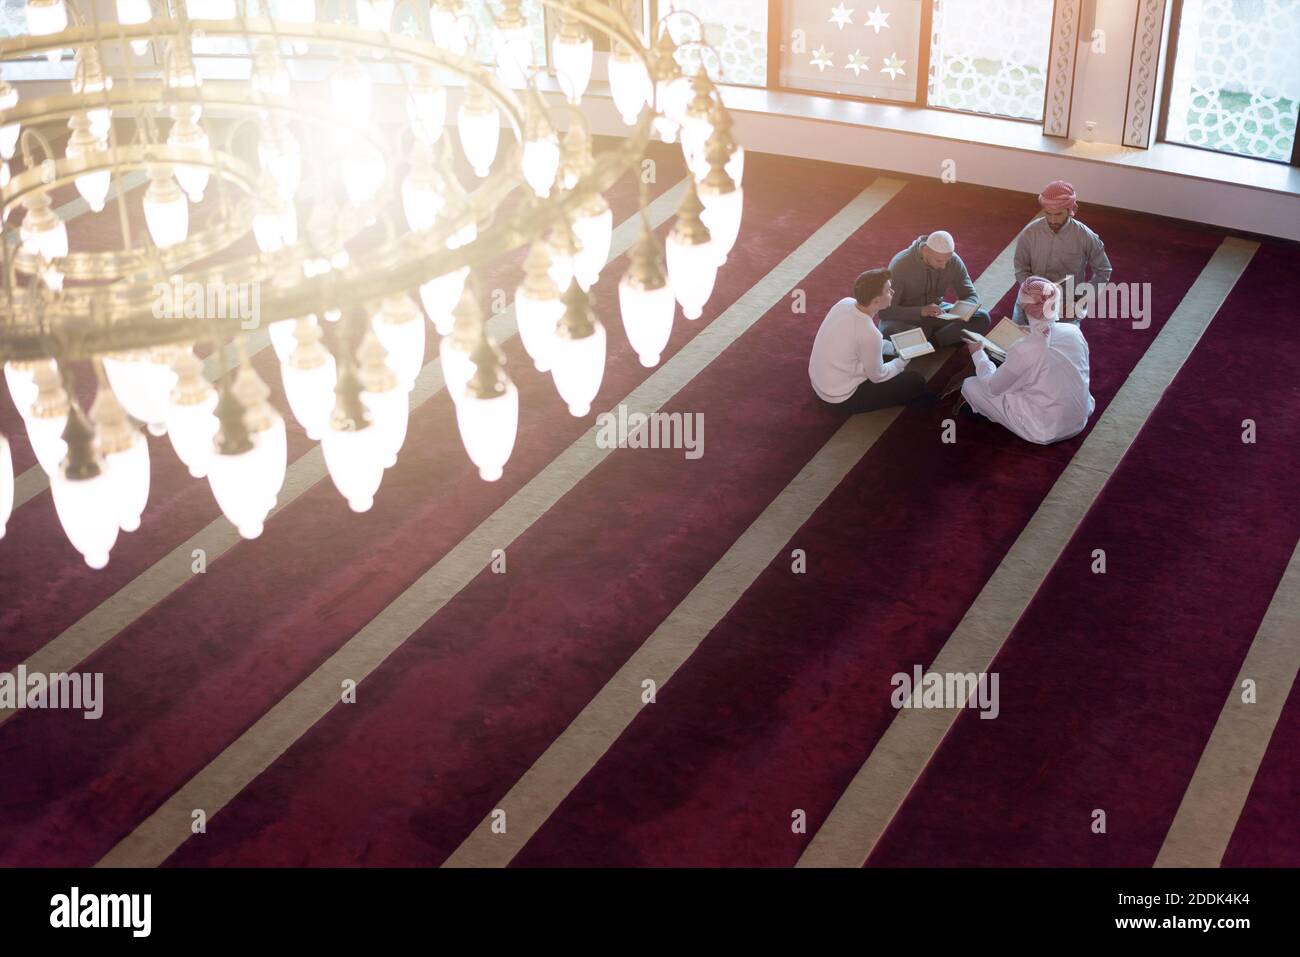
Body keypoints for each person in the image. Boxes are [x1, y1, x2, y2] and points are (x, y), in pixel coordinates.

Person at [958, 276, 1095, 445]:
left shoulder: (1024, 349)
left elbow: (992, 387)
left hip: (1046, 429)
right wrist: (1032, 331)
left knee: (971, 385)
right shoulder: (1074, 331)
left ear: (1024, 306)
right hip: (1079, 418)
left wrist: (978, 355)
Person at [809, 268, 930, 414]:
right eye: (888, 290)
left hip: (820, 384)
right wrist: (902, 360)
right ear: (876, 301)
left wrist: (893, 348)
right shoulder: (869, 333)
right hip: (840, 400)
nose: (892, 292)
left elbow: (864, 342)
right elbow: (878, 376)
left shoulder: (844, 303)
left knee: (884, 356)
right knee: (916, 382)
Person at [1012, 180, 1112, 325]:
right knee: (1019, 342)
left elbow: (1104, 270)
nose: (1052, 220)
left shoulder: (1085, 236)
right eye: (1048, 213)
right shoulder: (1030, 232)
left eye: (1058, 214)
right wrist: (1034, 293)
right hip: (1032, 302)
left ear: (1071, 210)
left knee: (1062, 345)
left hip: (1066, 305)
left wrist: (1080, 298)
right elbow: (1021, 268)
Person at [878, 230, 993, 348]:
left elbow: (970, 295)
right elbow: (884, 311)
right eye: (939, 261)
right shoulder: (901, 265)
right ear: (925, 250)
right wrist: (921, 311)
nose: (943, 266)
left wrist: (959, 312)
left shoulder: (953, 261)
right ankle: (941, 337)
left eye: (947, 261)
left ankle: (931, 343)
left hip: (939, 313)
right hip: (907, 318)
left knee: (982, 318)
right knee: (889, 330)